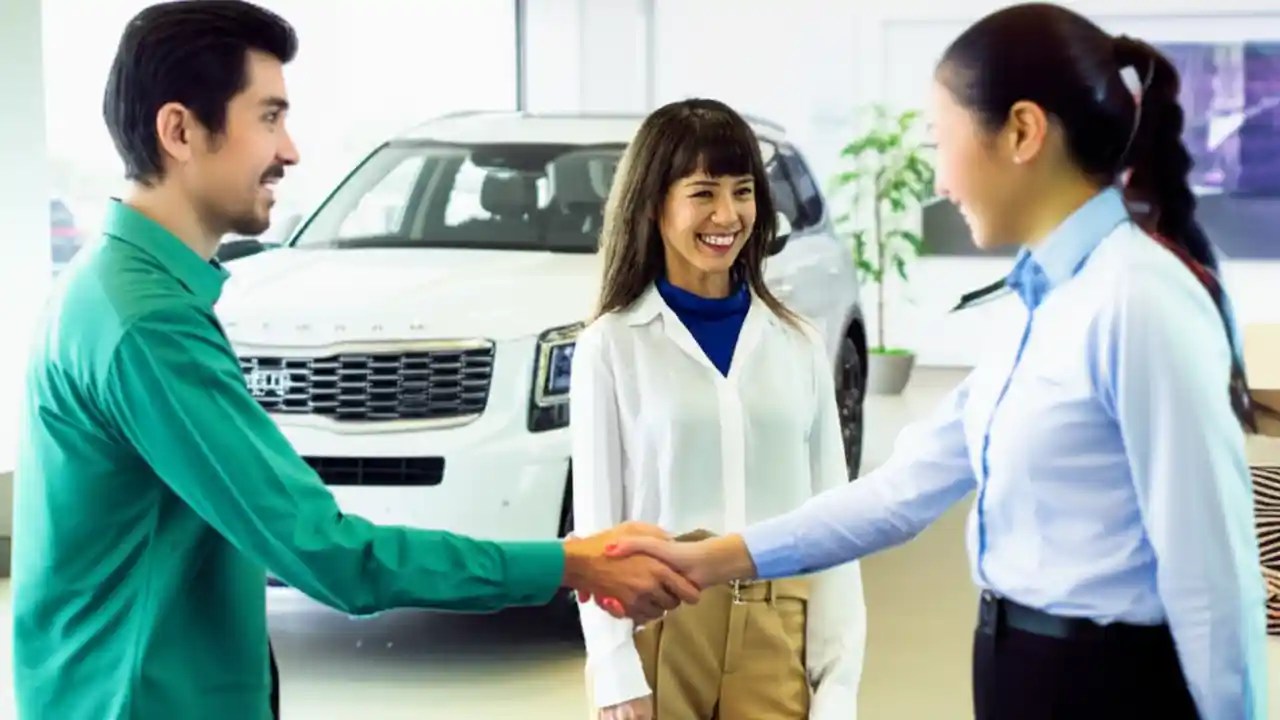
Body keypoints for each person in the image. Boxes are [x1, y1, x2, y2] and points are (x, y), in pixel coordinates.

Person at [10, 3, 696, 719]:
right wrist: (570, 561)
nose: (291, 151)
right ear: (180, 130)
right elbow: (328, 554)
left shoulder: (109, 286)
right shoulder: (146, 322)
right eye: (269, 118)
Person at [600, 4, 1269, 719]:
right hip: (1025, 671)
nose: (940, 181)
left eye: (940, 141)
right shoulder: (1036, 306)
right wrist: (712, 560)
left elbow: (1215, 581)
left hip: (1107, 684)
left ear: (1021, 131)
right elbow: (901, 491)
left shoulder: (1139, 302)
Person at [571, 98, 866, 720]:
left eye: (742, 191)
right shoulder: (612, 344)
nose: (726, 216)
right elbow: (597, 528)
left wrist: (838, 688)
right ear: (654, 203)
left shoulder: (797, 343)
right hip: (661, 631)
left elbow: (832, 522)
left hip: (776, 628)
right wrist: (615, 672)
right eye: (702, 193)